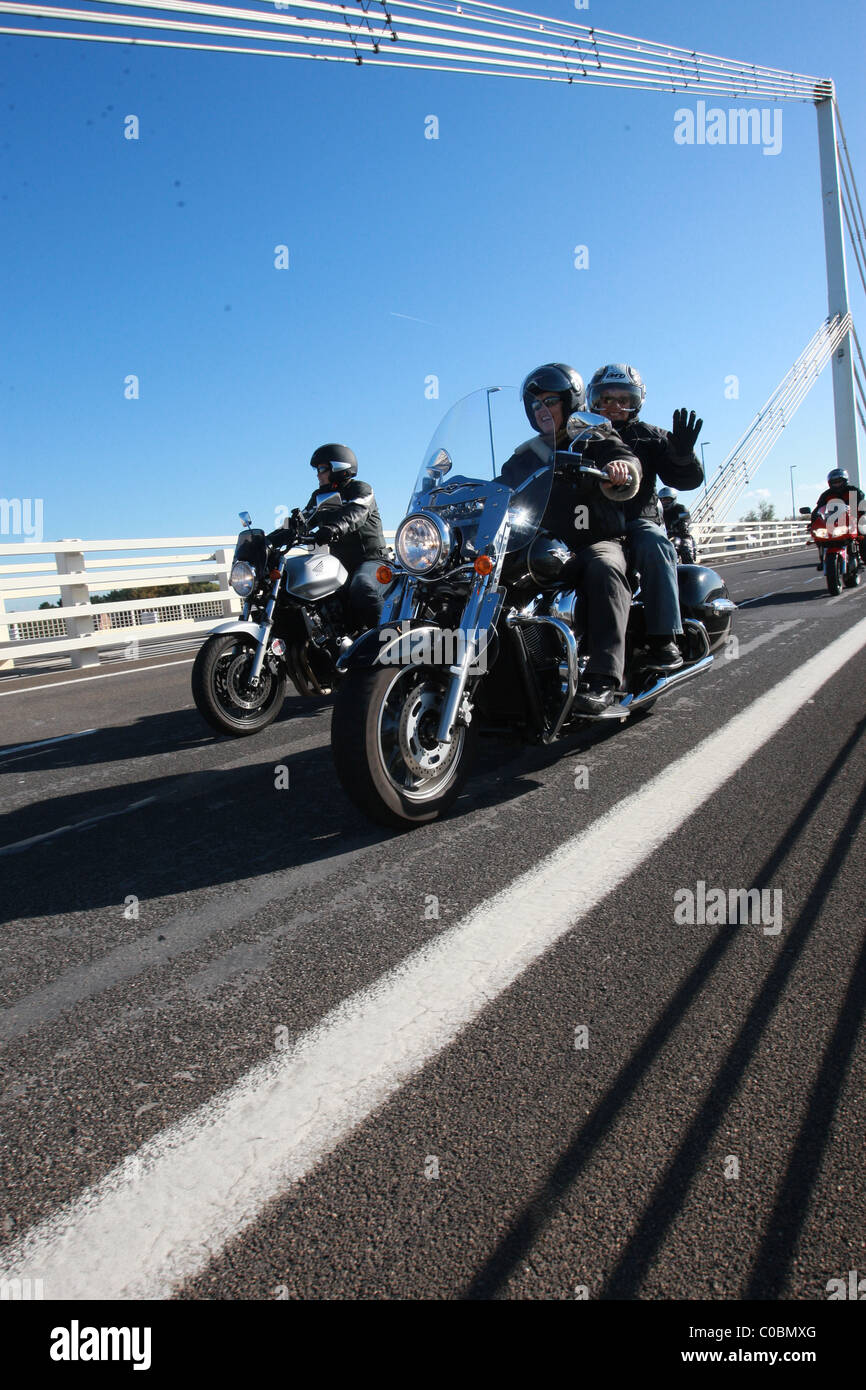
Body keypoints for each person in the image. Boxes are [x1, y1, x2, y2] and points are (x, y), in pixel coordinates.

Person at [499, 362, 642, 715]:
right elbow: (500, 489)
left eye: (550, 401)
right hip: (540, 547)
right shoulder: (524, 457)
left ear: (570, 401)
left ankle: (604, 678)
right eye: (535, 405)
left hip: (592, 541)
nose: (542, 410)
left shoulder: (594, 438)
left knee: (604, 567)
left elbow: (625, 461)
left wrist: (622, 472)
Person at [587, 363, 705, 672]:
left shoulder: (651, 436)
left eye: (623, 399)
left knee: (655, 544)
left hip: (637, 519)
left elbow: (687, 480)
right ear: (592, 401)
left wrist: (682, 456)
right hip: (592, 525)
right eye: (605, 399)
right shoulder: (581, 436)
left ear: (636, 402)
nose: (614, 406)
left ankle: (663, 638)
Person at [273, 443, 388, 630]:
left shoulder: (361, 490)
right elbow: (302, 520)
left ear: (339, 467)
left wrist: (334, 528)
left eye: (321, 468)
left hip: (373, 561)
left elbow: (355, 513)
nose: (317, 474)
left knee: (362, 586)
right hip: (339, 565)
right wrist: (270, 539)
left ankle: (388, 640)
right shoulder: (319, 496)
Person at [813, 468, 866, 569]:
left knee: (863, 537)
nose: (837, 484)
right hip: (833, 524)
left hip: (853, 520)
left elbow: (861, 506)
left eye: (839, 482)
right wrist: (813, 520)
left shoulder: (853, 491)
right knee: (819, 538)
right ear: (830, 483)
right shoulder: (826, 495)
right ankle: (822, 560)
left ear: (845, 481)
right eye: (834, 482)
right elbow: (818, 509)